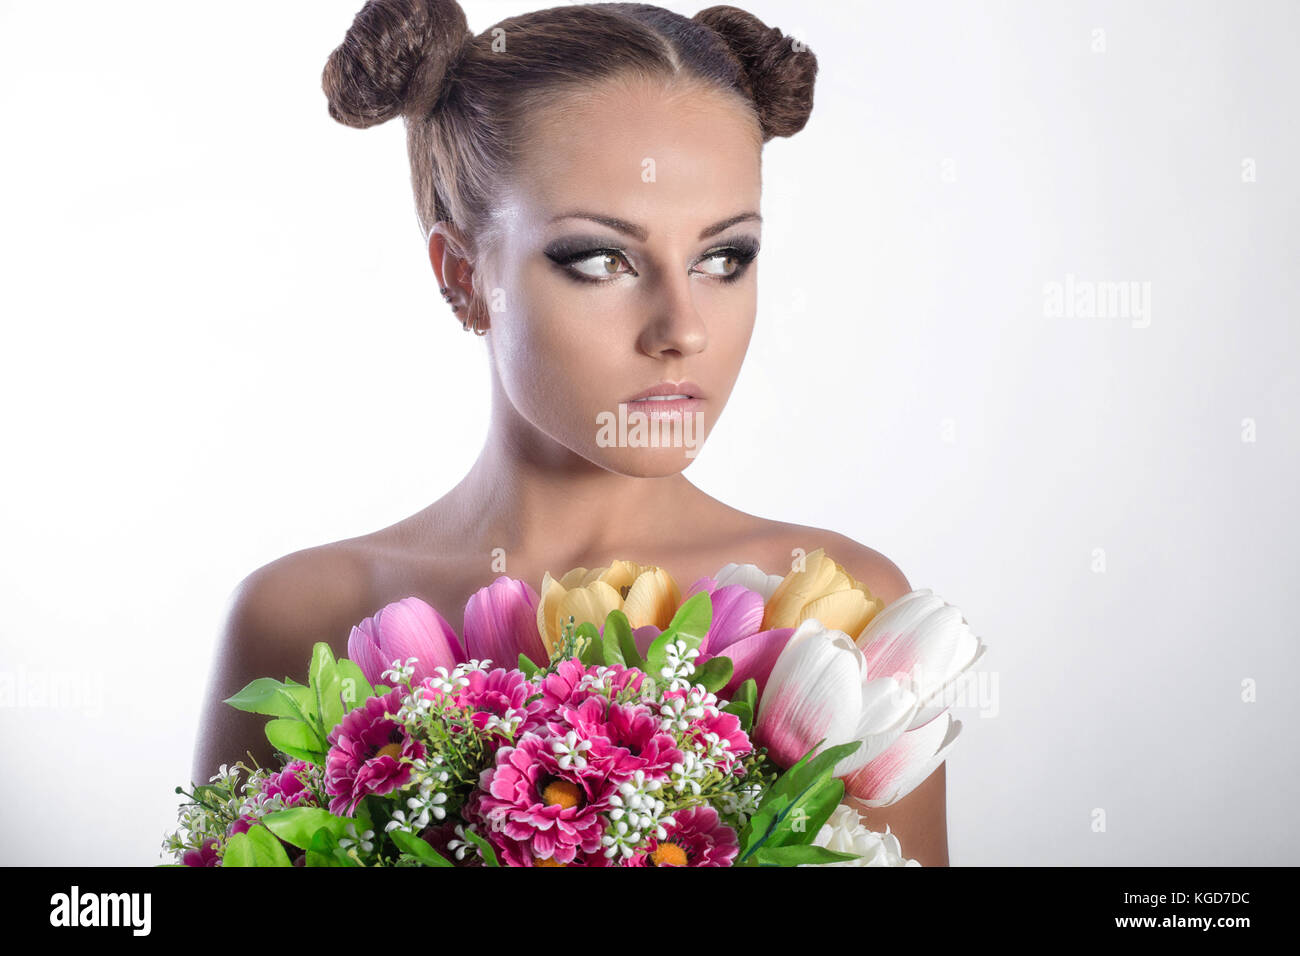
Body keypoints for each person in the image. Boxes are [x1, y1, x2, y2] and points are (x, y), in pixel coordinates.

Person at [190, 0, 949, 865]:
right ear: (463, 276)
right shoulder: (300, 617)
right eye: (601, 258)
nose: (685, 328)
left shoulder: (842, 614)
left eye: (724, 257)